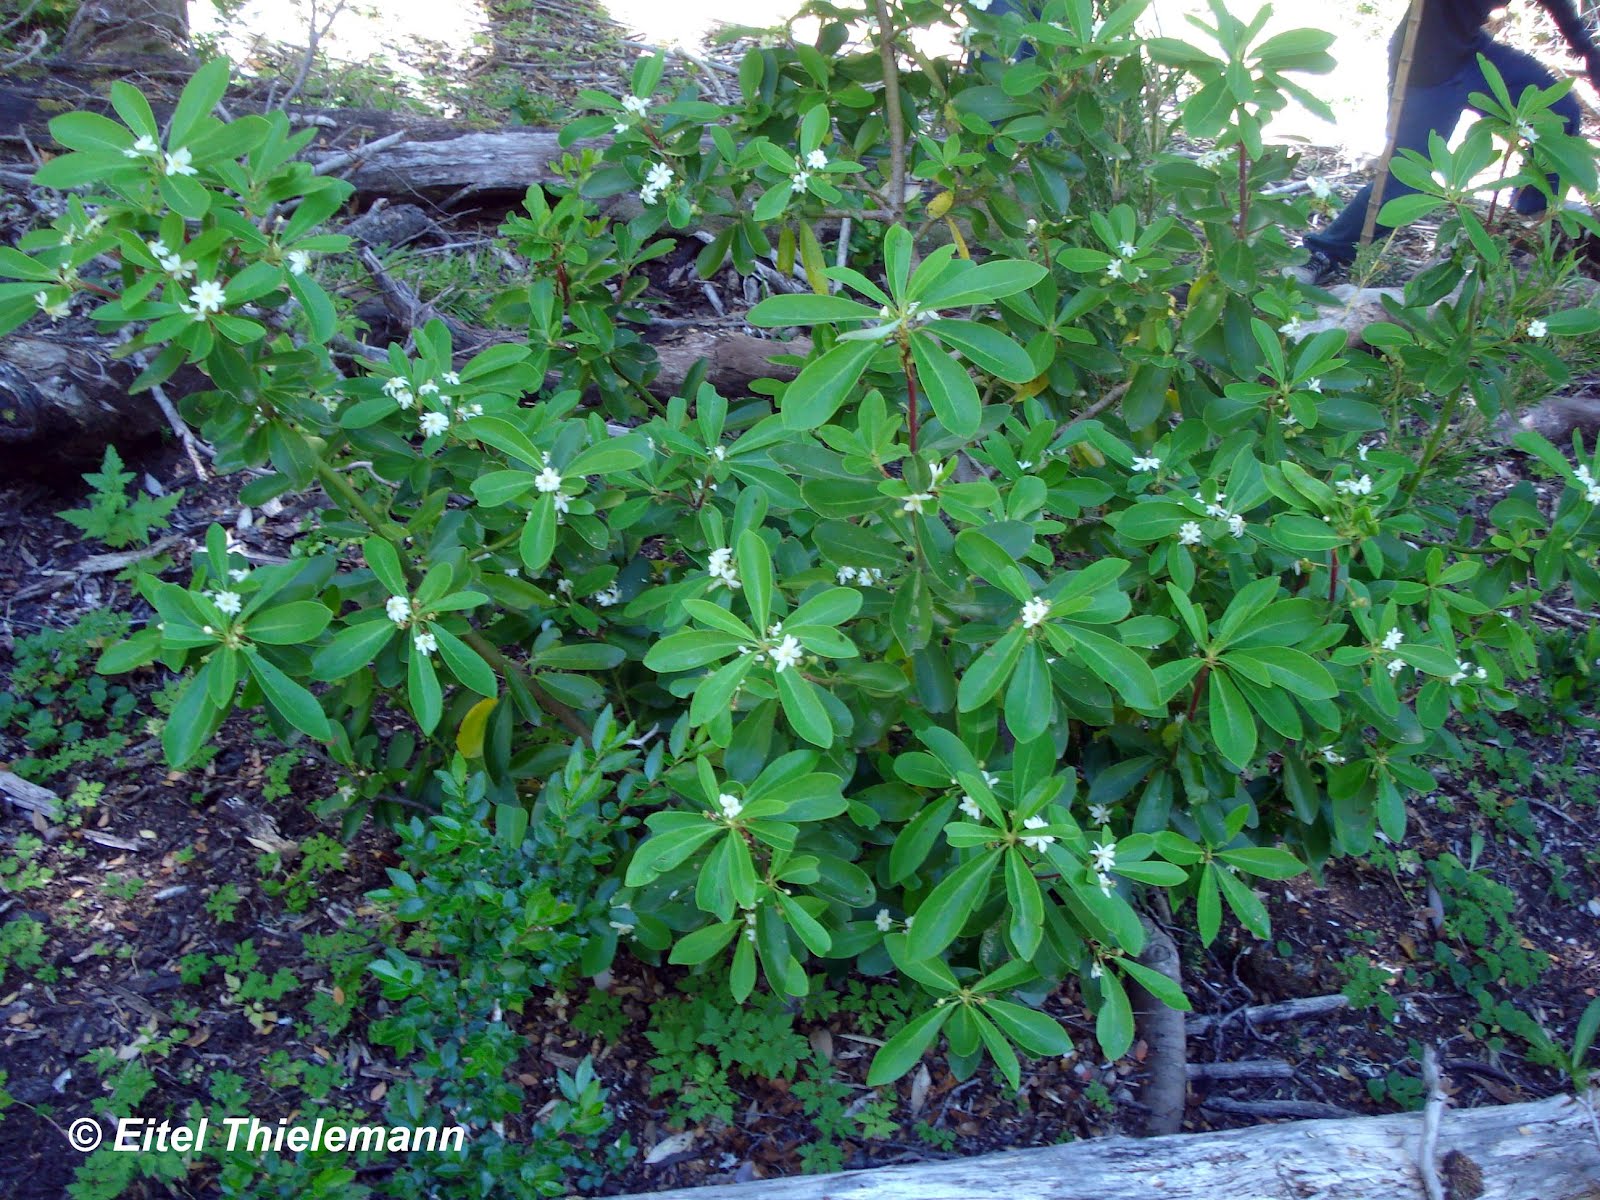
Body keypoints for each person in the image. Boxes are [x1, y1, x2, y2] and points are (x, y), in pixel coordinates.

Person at [1294, 0, 1600, 284]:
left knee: (1559, 111)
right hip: (1421, 68)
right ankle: (1327, 253)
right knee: (1406, 179)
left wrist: (1587, 49)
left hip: (1469, 53)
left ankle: (1528, 218)